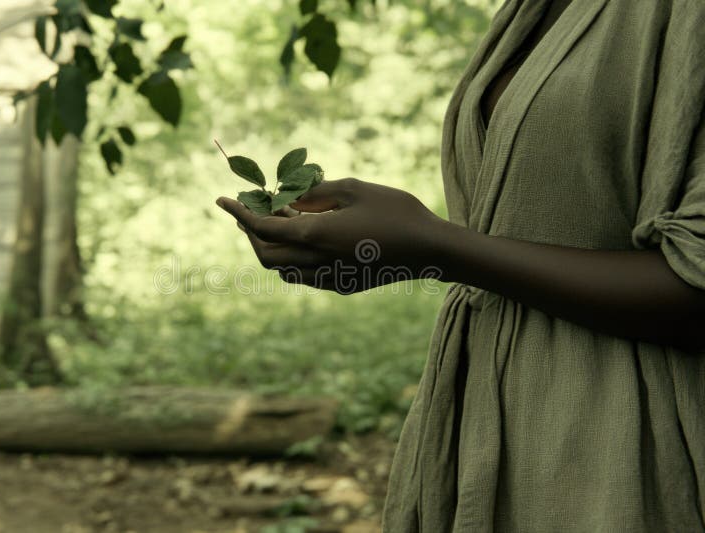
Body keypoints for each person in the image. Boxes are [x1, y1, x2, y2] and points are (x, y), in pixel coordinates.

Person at [216, 0, 705, 530]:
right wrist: (405, 250)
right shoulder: (526, 10)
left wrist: (436, 247)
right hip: (485, 419)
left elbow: (695, 286)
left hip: (617, 451)